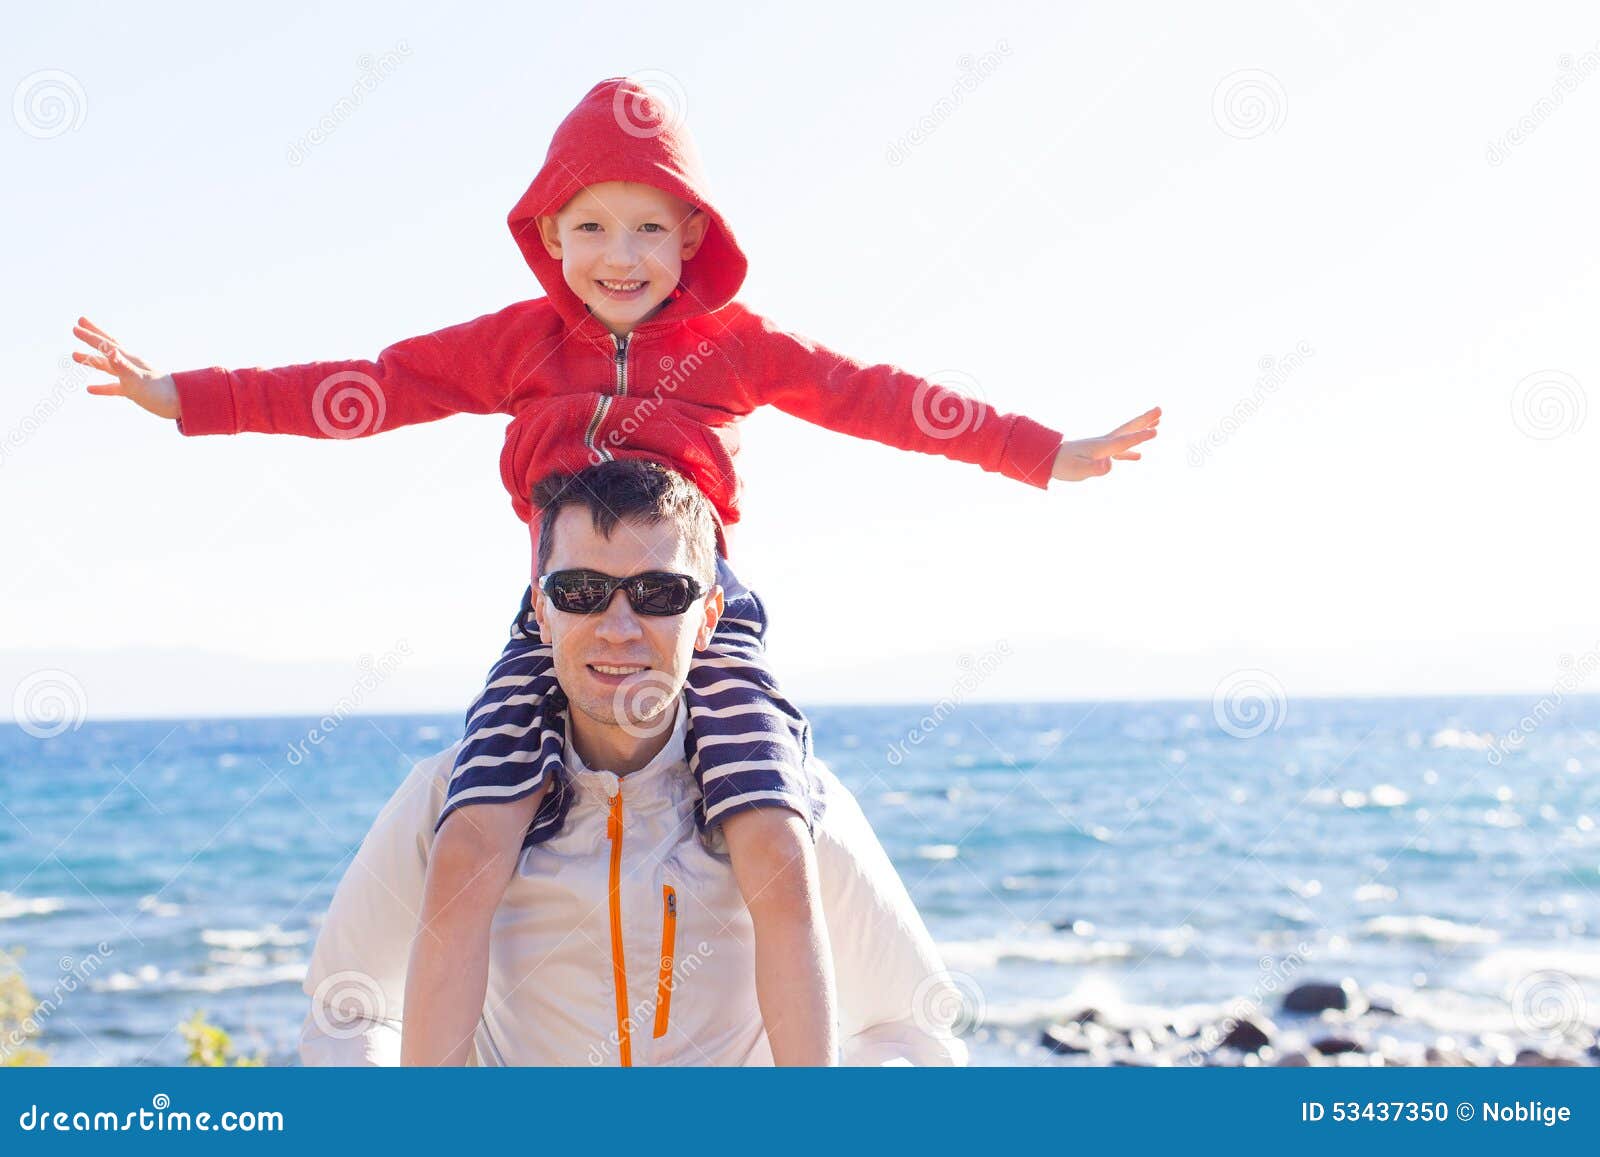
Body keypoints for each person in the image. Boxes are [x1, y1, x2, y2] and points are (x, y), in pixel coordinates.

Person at [71, 75, 1159, 1065]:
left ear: (692, 234)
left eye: (647, 226)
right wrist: (187, 398)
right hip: (558, 618)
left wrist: (1040, 451)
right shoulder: (518, 342)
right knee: (471, 837)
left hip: (700, 621)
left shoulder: (736, 343)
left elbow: (874, 396)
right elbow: (371, 386)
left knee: (776, 839)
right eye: (590, 226)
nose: (619, 255)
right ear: (549, 234)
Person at [299, 459, 967, 1066]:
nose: (618, 628)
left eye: (659, 593)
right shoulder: (448, 796)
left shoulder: (793, 802)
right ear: (541, 611)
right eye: (580, 590)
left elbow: (906, 1028)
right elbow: (350, 1015)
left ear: (709, 617)